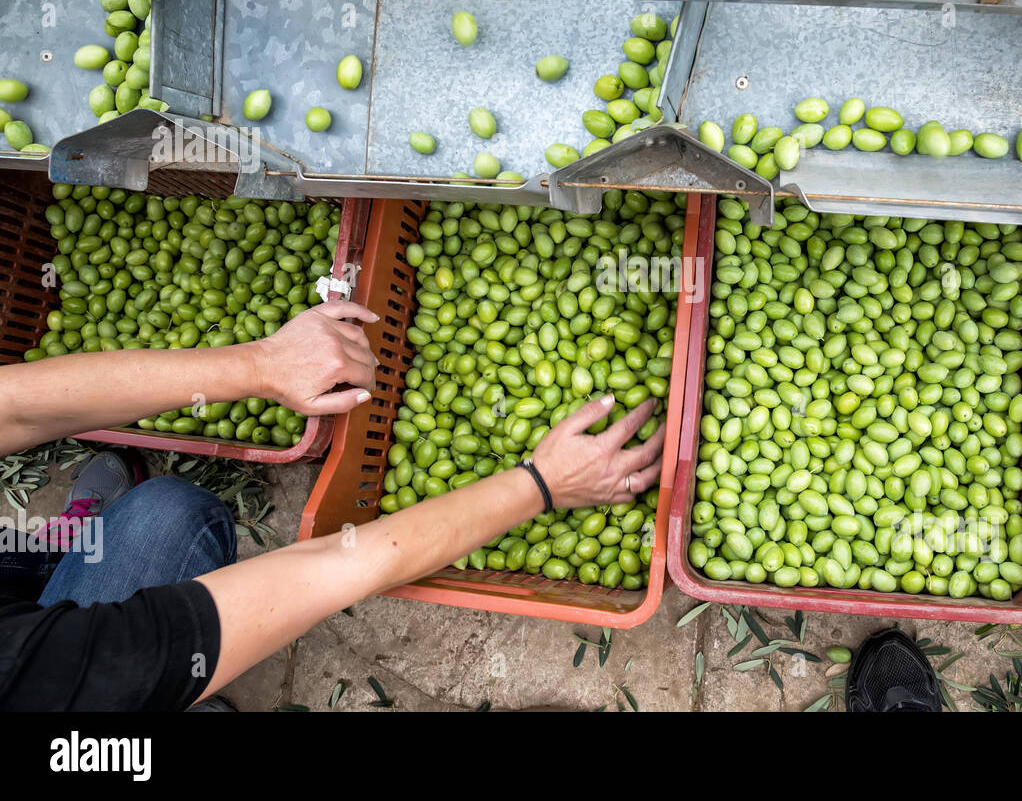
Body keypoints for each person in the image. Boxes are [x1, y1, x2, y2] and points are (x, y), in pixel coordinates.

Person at [0, 300, 665, 711]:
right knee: (168, 520)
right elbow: (328, 570)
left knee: (159, 515)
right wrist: (541, 486)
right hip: (72, 686)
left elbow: (15, 406)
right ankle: (170, 693)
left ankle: (51, 558)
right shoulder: (44, 681)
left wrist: (261, 365)